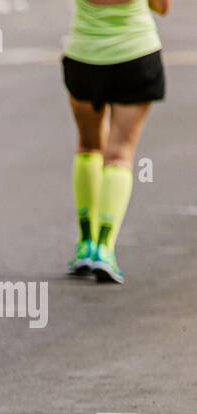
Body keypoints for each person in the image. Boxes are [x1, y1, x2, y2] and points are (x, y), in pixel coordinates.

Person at [63, 0, 169, 284]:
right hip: (135, 54)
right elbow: (162, 6)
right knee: (119, 155)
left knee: (88, 146)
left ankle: (85, 243)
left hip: (84, 55)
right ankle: (104, 249)